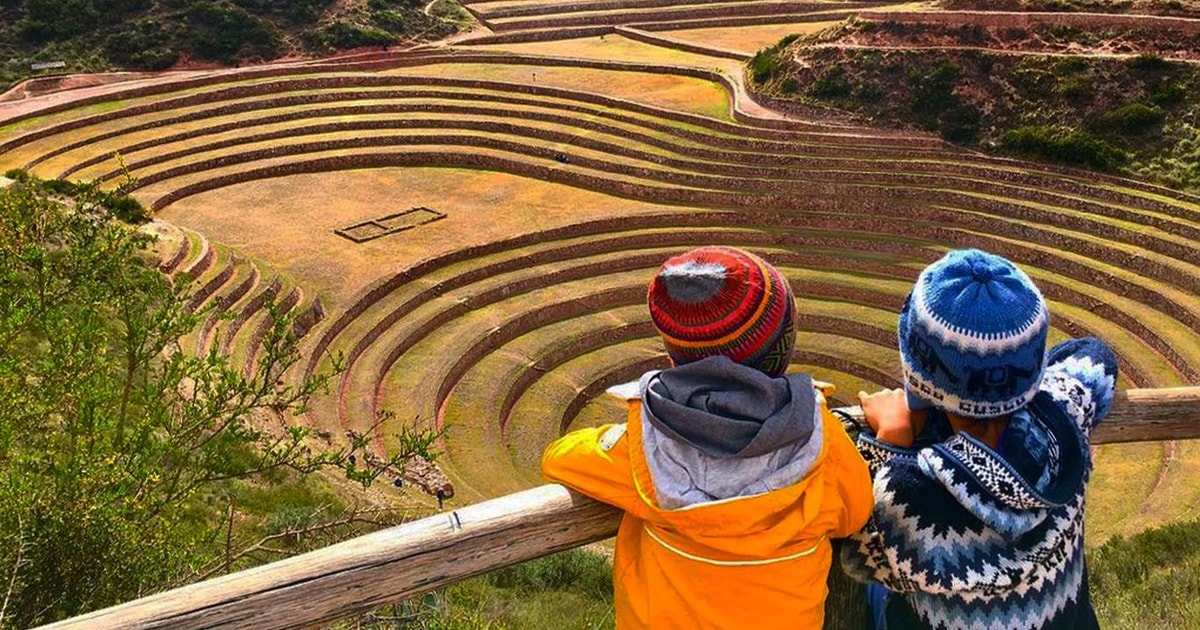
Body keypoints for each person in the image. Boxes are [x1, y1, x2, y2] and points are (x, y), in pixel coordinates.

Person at [541, 246, 873, 629]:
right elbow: (855, 513)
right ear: (782, 348)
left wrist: (620, 434)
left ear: (674, 358)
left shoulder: (639, 454)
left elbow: (558, 458)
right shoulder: (824, 443)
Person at [840, 249, 1118, 630]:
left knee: (875, 595)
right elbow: (1094, 357)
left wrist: (889, 441)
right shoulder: (1063, 419)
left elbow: (857, 555)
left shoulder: (913, 498)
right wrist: (1021, 387)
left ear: (920, 381)